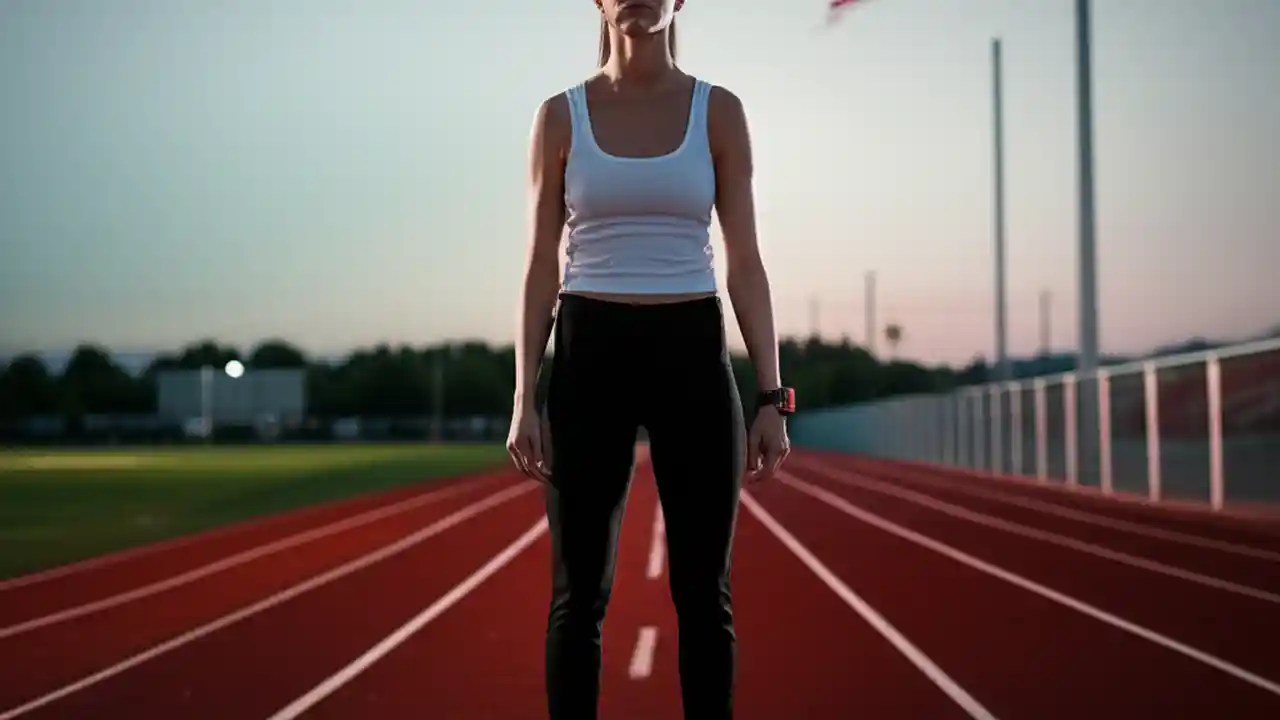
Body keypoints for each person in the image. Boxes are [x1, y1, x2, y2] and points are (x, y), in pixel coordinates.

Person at [506, 1, 795, 717]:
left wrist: (772, 396)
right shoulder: (560, 116)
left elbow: (747, 263)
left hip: (692, 355)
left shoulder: (718, 111)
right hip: (588, 356)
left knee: (705, 595)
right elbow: (541, 265)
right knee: (578, 597)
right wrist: (523, 397)